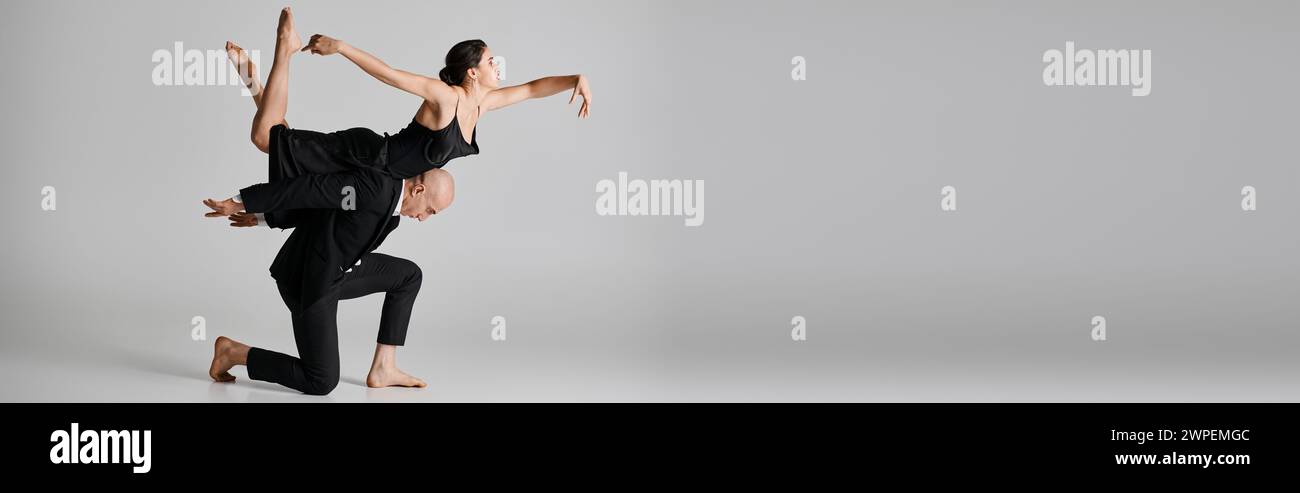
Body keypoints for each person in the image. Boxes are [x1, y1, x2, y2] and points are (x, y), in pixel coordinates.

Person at [225, 7, 593, 186]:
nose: (498, 66)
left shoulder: (482, 105)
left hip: (373, 179)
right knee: (266, 138)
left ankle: (256, 84)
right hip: (366, 154)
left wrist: (575, 78)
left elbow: (531, 89)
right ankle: (284, 49)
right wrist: (341, 47)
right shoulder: (444, 97)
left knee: (282, 141)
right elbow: (390, 74)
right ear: (472, 72)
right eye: (491, 60)